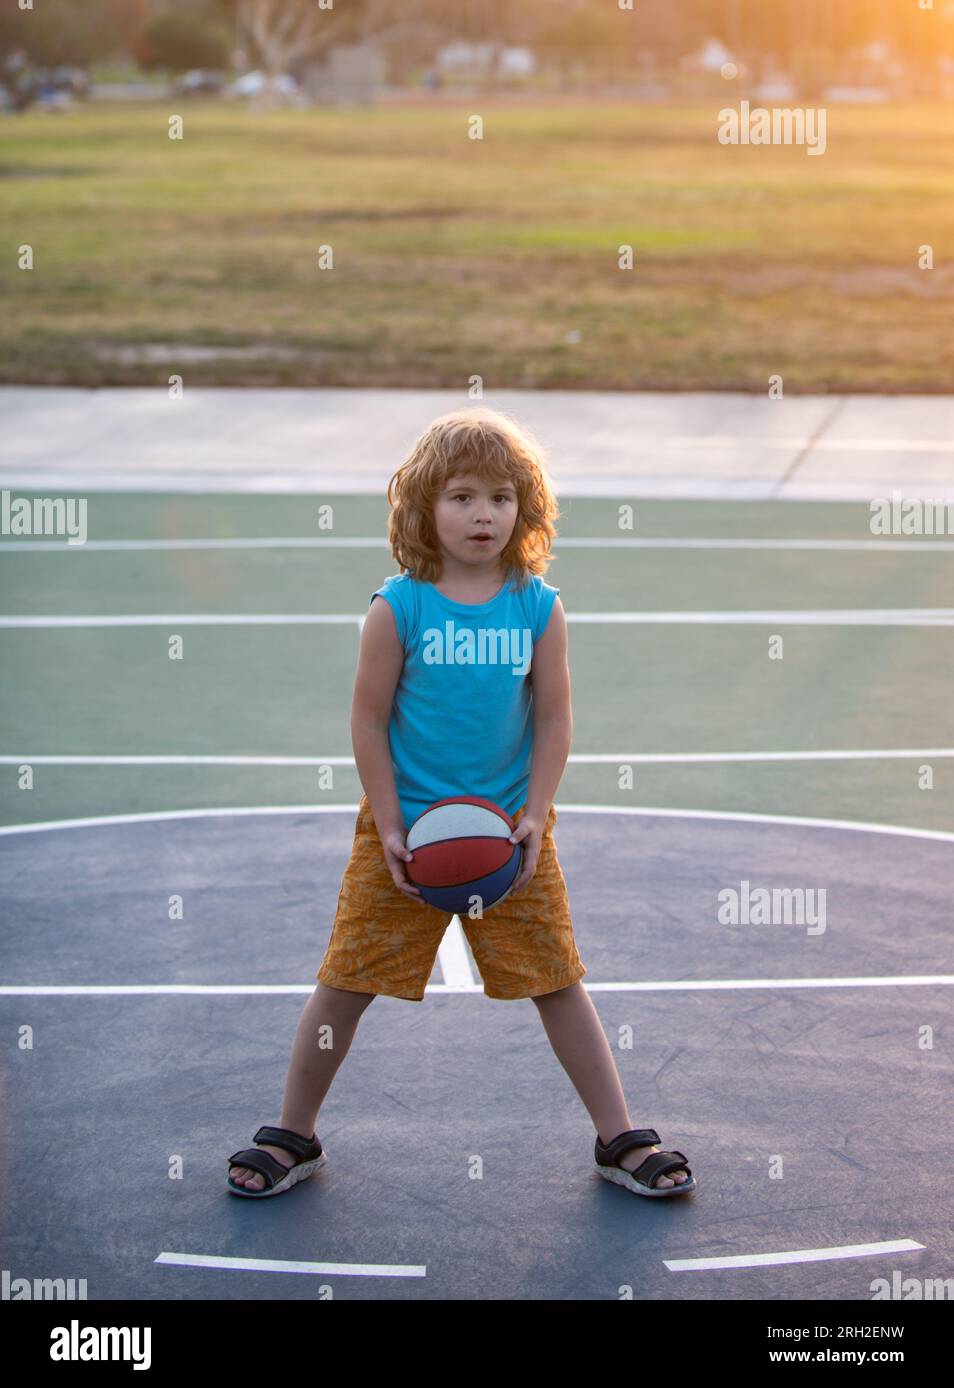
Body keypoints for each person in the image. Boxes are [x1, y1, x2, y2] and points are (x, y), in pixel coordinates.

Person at [227, 407, 694, 1198]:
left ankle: (618, 1137)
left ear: (526, 510)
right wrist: (391, 824)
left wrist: (537, 815)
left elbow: (553, 718)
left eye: (503, 498)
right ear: (423, 508)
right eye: (463, 497)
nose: (484, 515)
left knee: (558, 980)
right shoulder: (398, 608)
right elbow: (368, 722)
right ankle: (293, 1133)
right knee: (344, 981)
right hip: (405, 834)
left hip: (510, 832)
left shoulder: (538, 607)